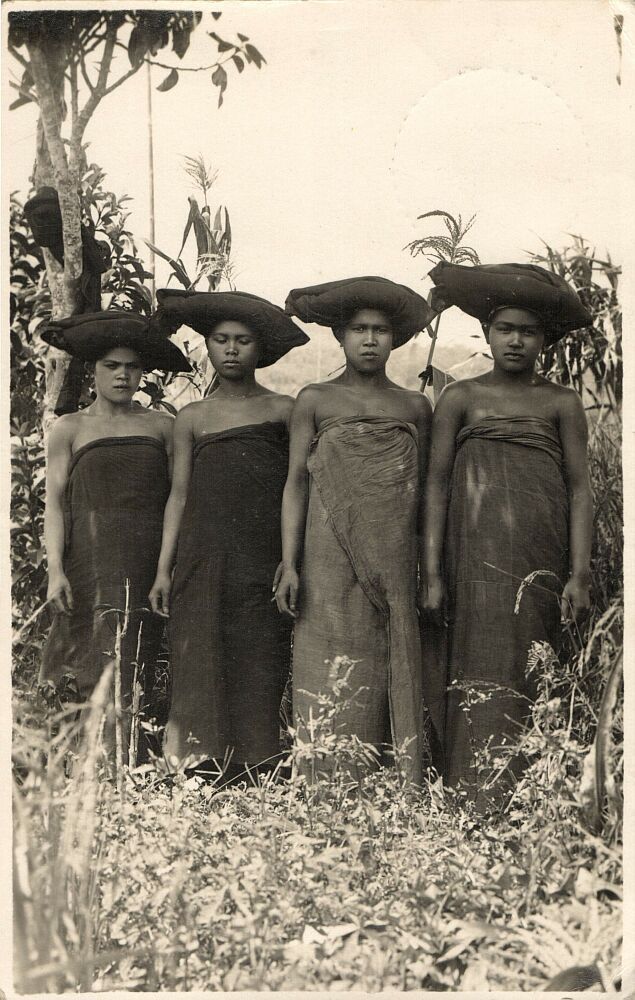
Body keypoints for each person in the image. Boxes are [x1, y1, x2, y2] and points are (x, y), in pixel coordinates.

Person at [423, 262, 593, 806]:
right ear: (487, 334)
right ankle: (468, 789)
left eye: (529, 331)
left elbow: (580, 489)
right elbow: (436, 485)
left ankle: (525, 791)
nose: (516, 341)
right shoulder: (460, 399)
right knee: (473, 654)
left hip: (539, 557)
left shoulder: (561, 403)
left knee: (531, 658)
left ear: (545, 339)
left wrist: (580, 573)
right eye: (505, 329)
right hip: (471, 557)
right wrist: (430, 571)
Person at [275, 276, 438, 785]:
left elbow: (432, 491)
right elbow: (296, 484)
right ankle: (326, 779)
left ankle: (392, 778)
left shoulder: (414, 406)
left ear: (396, 339)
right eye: (359, 329)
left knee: (387, 654)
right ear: (340, 338)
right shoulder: (315, 400)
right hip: (327, 555)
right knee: (328, 652)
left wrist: (429, 571)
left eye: (381, 330)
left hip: (392, 556)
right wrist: (289, 561)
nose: (370, 340)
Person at [148, 288, 309, 781]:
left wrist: (290, 560)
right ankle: (195, 767)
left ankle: (255, 766)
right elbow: (178, 494)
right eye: (221, 340)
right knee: (199, 650)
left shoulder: (285, 409)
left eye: (243, 340)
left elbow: (295, 485)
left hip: (261, 555)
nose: (232, 349)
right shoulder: (192, 417)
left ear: (260, 349)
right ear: (209, 347)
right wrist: (163, 569)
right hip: (203, 554)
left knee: (259, 654)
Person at [41, 311, 191, 762]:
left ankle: (129, 756)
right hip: (87, 560)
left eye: (132, 367)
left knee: (135, 654)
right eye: (111, 366)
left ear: (143, 373)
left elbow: (176, 499)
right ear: (92, 370)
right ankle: (77, 759)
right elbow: (54, 503)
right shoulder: (69, 429)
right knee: (84, 650)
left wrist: (164, 568)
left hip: (143, 559)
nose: (123, 375)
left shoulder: (163, 426)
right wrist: (54, 570)